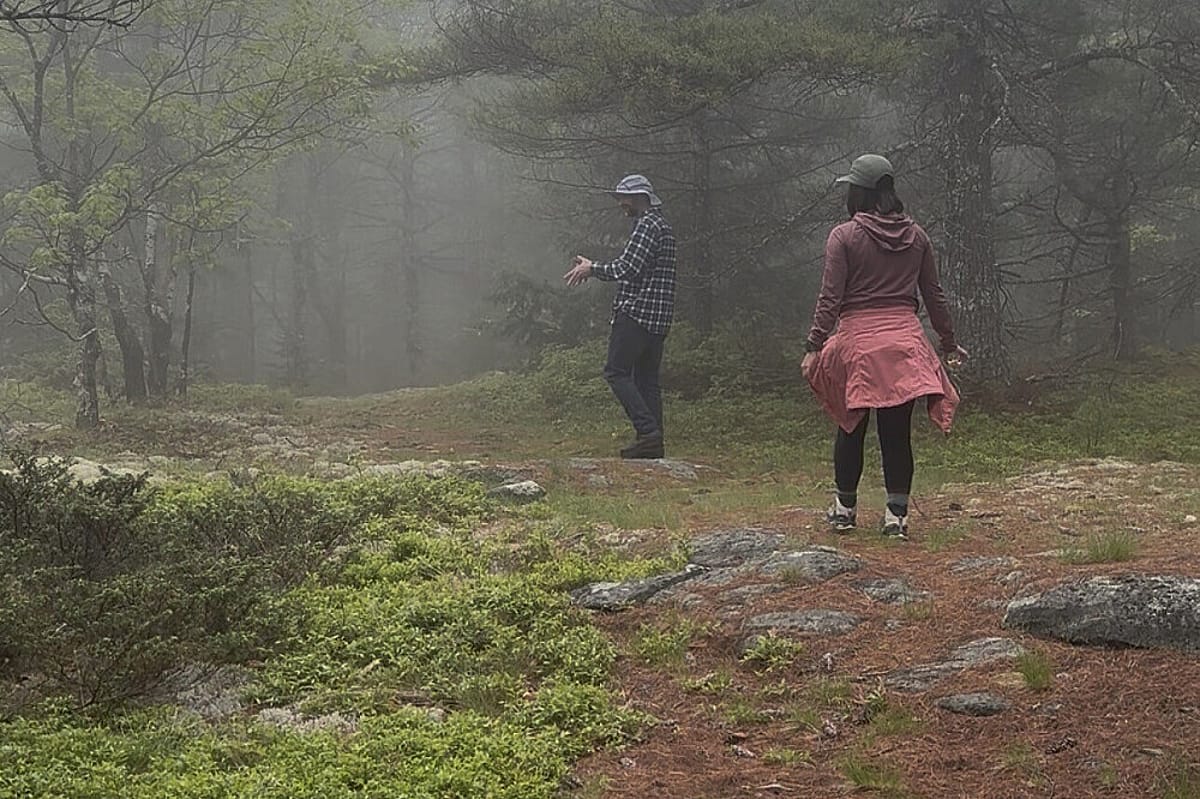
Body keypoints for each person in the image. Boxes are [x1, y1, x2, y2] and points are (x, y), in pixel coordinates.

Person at [801, 154, 967, 539]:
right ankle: (897, 517)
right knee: (896, 432)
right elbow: (933, 295)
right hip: (905, 343)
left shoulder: (843, 236)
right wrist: (947, 342)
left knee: (850, 424)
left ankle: (844, 509)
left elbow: (831, 297)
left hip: (857, 342)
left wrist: (814, 343)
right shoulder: (918, 236)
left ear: (859, 192)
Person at [564, 174, 677, 459]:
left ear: (640, 197)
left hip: (637, 313)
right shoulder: (662, 227)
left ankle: (648, 432)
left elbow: (628, 267)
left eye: (623, 198)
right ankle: (653, 442)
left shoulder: (647, 226)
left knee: (616, 371)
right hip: (658, 319)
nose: (621, 204)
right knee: (646, 380)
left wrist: (593, 268)